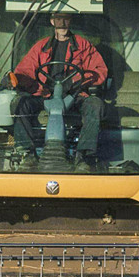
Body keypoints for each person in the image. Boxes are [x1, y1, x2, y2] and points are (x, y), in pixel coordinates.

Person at [9, 11, 108, 168]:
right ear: (52, 21)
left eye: (66, 19)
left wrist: (78, 81)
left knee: (95, 104)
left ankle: (84, 156)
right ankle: (27, 154)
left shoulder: (83, 45)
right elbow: (25, 70)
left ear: (70, 21)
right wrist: (15, 79)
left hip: (74, 95)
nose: (62, 24)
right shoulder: (40, 47)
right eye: (58, 19)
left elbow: (99, 70)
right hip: (45, 95)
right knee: (19, 103)